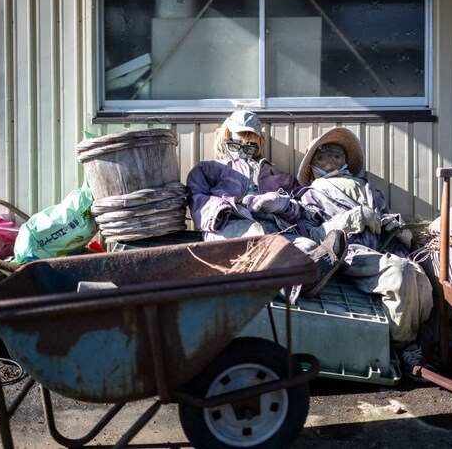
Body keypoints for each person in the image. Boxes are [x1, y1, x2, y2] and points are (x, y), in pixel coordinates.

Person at [294, 127, 434, 373]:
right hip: (351, 253)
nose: (329, 161)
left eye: (336, 155)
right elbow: (313, 234)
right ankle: (404, 346)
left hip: (385, 248)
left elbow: (387, 217)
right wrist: (352, 218)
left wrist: (396, 227)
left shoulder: (368, 189)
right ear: (312, 166)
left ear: (346, 160)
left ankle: (414, 339)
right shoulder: (311, 195)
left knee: (420, 278)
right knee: (399, 273)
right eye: (322, 157)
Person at [186, 110, 347, 300]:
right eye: (234, 145)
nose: (241, 152)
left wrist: (283, 205)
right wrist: (231, 207)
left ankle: (307, 277)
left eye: (249, 147)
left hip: (275, 226)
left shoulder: (276, 175)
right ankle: (297, 281)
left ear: (258, 145)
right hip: (231, 224)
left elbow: (304, 206)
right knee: (256, 238)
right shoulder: (210, 168)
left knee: (308, 246)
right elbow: (197, 197)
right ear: (225, 138)